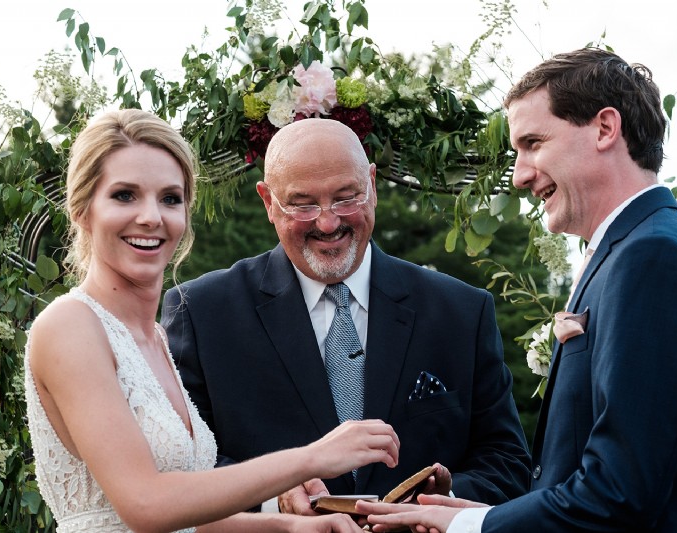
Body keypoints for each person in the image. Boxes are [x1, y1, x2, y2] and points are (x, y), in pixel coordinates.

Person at [356, 47, 677, 532]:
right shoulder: (643, 247)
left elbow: (620, 491)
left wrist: (470, 528)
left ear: (604, 128)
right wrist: (488, 513)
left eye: (533, 143)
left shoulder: (652, 258)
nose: (519, 176)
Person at [23, 108, 402, 533]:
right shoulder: (70, 326)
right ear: (82, 209)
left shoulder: (156, 340)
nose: (151, 217)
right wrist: (310, 458)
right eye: (124, 195)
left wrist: (293, 529)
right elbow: (146, 505)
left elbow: (189, 518)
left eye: (169, 198)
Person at [161, 117, 531, 516]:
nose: (327, 222)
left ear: (371, 185)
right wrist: (274, 496)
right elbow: (184, 467)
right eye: (302, 204)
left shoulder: (461, 311)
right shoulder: (201, 312)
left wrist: (434, 501)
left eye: (346, 197)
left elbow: (507, 461)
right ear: (268, 202)